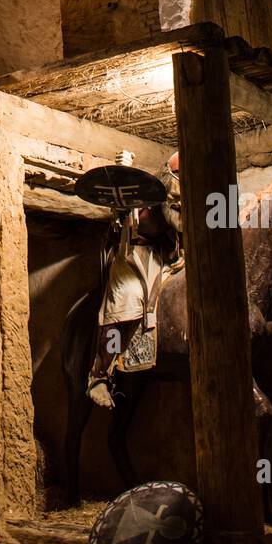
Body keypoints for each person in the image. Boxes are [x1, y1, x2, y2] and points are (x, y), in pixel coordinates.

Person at [87, 154, 183, 407]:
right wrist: (121, 179)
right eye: (179, 175)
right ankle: (100, 376)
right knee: (125, 306)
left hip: (166, 257)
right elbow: (120, 216)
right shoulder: (140, 199)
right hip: (132, 258)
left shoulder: (182, 198)